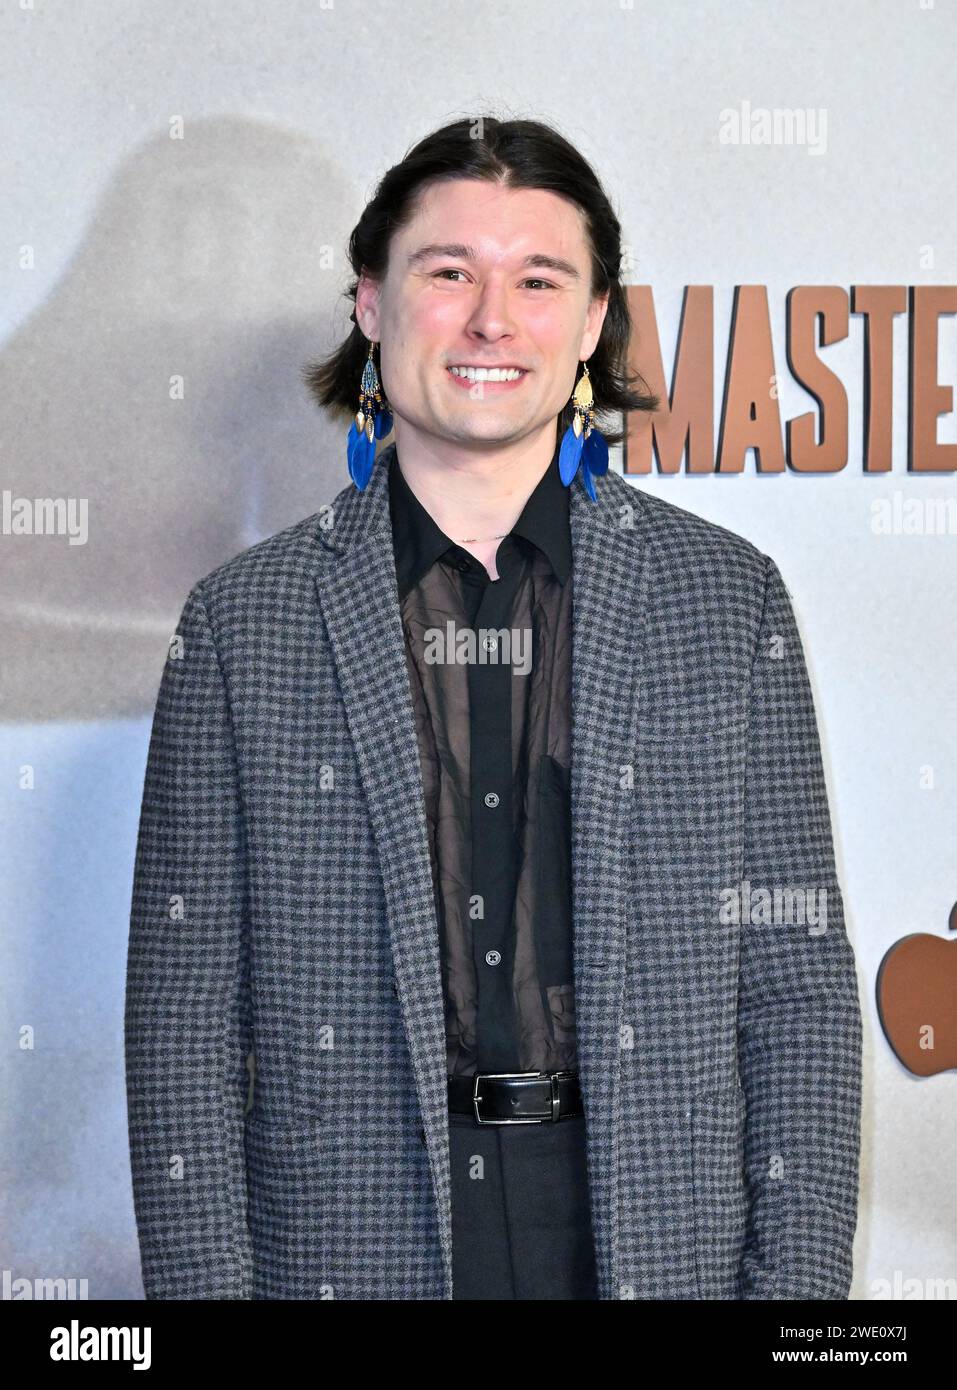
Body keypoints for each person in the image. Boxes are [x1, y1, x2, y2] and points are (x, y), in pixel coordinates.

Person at [124, 115, 863, 1301]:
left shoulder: (726, 601)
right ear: (370, 304)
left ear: (591, 323)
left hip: (655, 1245)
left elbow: (796, 997)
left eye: (538, 279)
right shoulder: (241, 626)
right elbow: (183, 1031)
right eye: (448, 272)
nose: (490, 319)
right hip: (348, 1249)